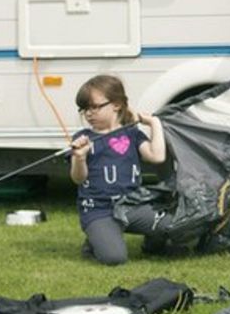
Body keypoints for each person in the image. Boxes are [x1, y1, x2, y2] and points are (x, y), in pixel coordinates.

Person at [70, 74, 169, 265]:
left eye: (94, 107)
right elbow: (78, 178)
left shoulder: (132, 134)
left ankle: (152, 245)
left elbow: (157, 156)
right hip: (99, 210)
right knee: (115, 258)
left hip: (132, 206)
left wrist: (154, 124)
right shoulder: (83, 137)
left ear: (116, 104)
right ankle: (94, 240)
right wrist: (80, 157)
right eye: (84, 109)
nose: (88, 113)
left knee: (173, 227)